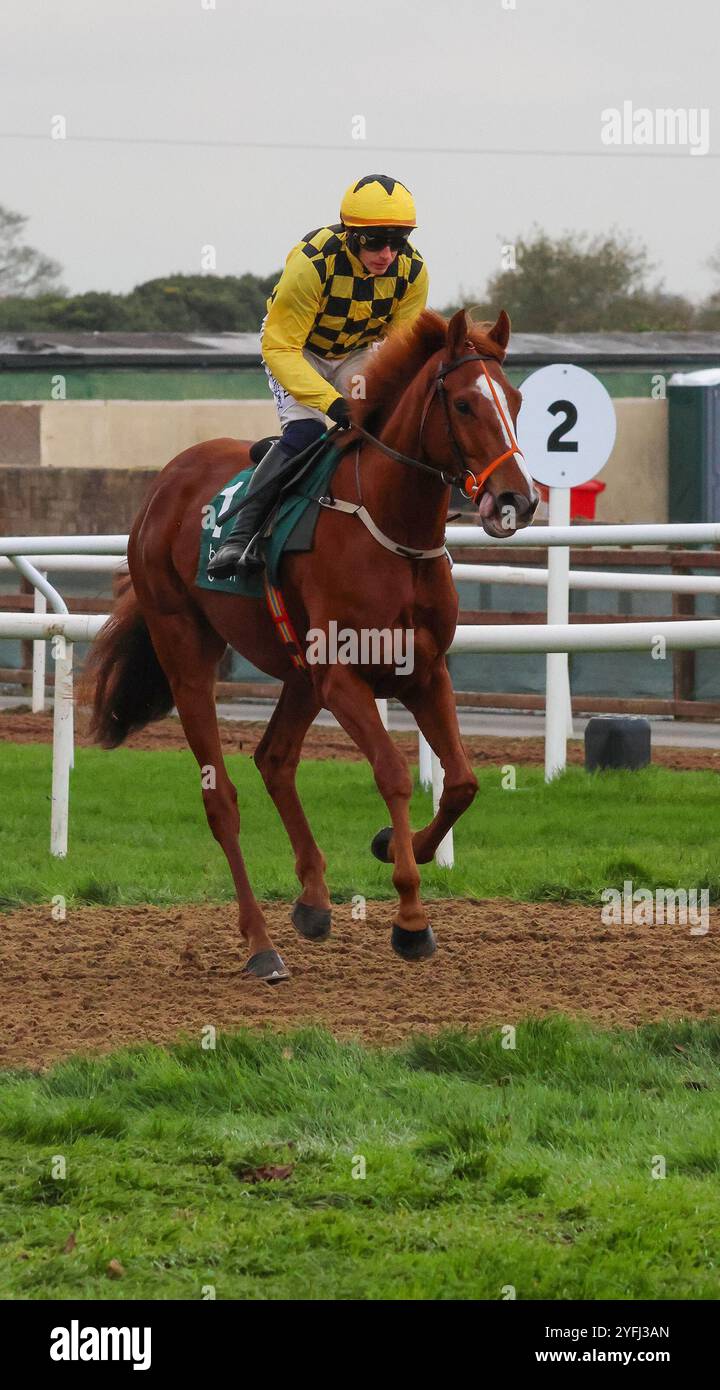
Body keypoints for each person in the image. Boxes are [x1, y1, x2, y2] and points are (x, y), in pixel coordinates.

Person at [207, 174, 429, 578]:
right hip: (297, 349)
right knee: (307, 432)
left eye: (397, 241)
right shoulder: (312, 265)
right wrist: (331, 402)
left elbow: (401, 352)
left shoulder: (413, 273)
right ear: (350, 234)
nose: (386, 254)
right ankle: (240, 536)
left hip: (357, 353)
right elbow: (281, 348)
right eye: (375, 241)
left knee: (385, 427)